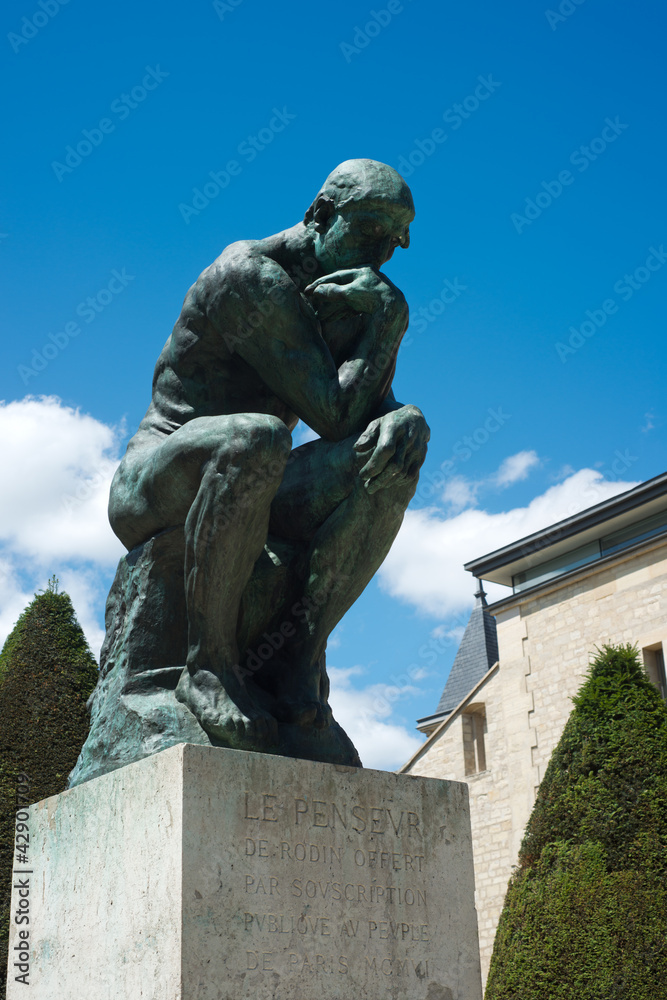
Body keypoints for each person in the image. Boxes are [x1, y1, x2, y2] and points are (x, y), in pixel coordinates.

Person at [108, 158, 429, 752]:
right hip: (158, 478)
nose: (379, 256)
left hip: (260, 473)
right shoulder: (247, 274)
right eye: (366, 233)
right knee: (256, 435)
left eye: (392, 242)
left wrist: (404, 421)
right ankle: (207, 668)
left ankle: (295, 662)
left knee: (393, 453)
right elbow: (332, 413)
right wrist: (389, 320)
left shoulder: (350, 294)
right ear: (319, 216)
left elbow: (366, 419)